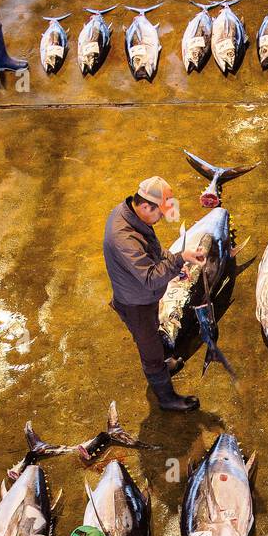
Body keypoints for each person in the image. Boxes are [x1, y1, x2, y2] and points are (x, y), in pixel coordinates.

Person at [103, 177, 205, 414]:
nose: (162, 219)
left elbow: (156, 251)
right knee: (149, 350)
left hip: (143, 297)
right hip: (134, 303)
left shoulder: (133, 214)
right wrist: (180, 259)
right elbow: (150, 278)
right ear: (147, 206)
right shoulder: (124, 237)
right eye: (161, 213)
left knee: (154, 335)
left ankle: (161, 365)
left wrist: (178, 261)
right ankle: (167, 398)